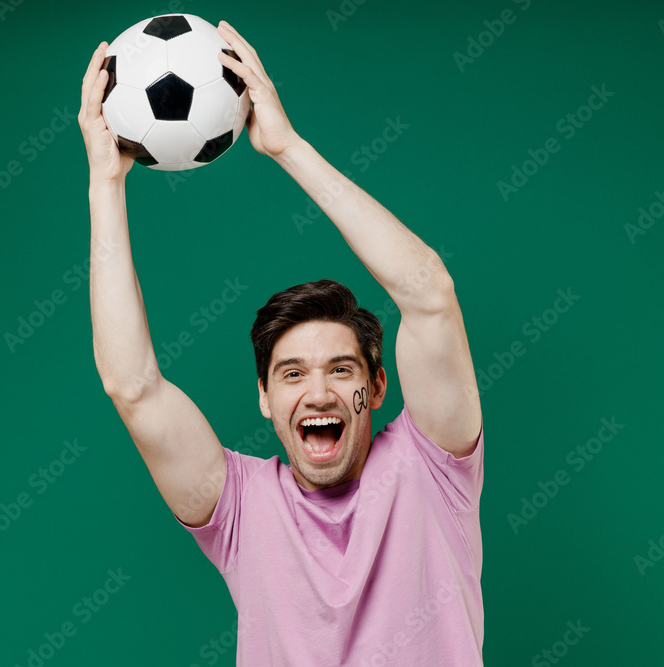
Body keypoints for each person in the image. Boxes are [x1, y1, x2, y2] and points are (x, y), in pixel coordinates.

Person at [78, 19, 484, 665]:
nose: (317, 390)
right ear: (265, 397)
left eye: (341, 368)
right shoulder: (241, 507)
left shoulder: (433, 468)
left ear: (377, 385)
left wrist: (286, 146)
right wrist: (106, 184)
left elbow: (428, 291)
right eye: (291, 374)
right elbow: (132, 386)